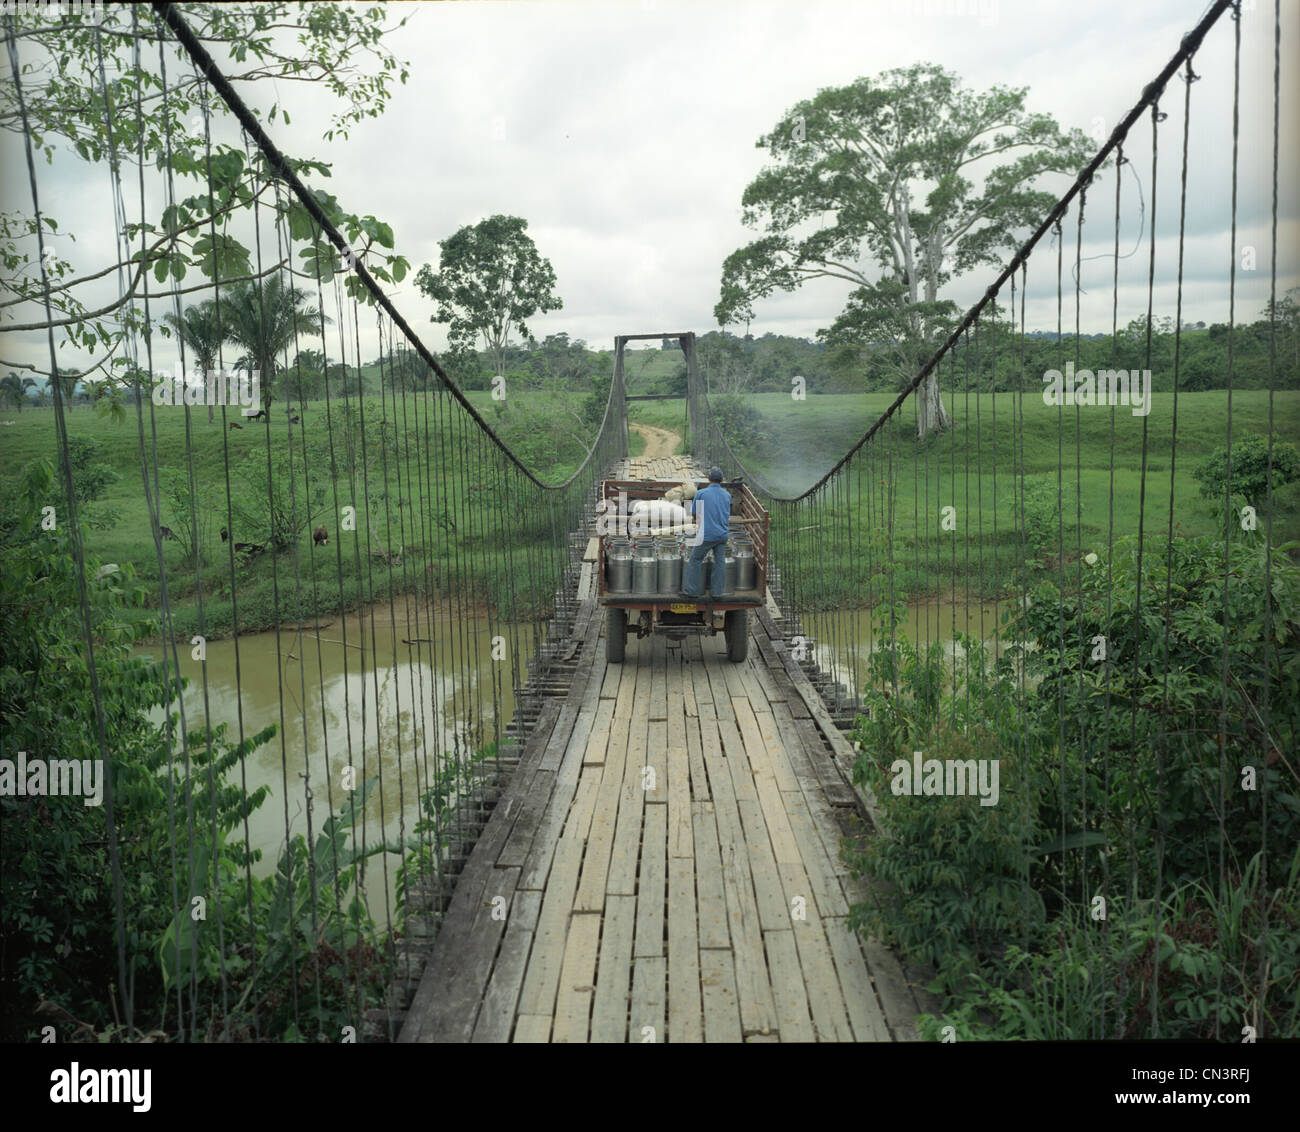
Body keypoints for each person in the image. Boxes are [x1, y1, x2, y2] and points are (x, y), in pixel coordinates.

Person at [681, 466, 730, 598]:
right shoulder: (727, 495)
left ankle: (692, 591)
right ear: (721, 480)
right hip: (722, 535)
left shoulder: (701, 493)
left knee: (695, 560)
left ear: (708, 478)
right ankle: (717, 593)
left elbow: (695, 514)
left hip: (706, 535)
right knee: (720, 562)